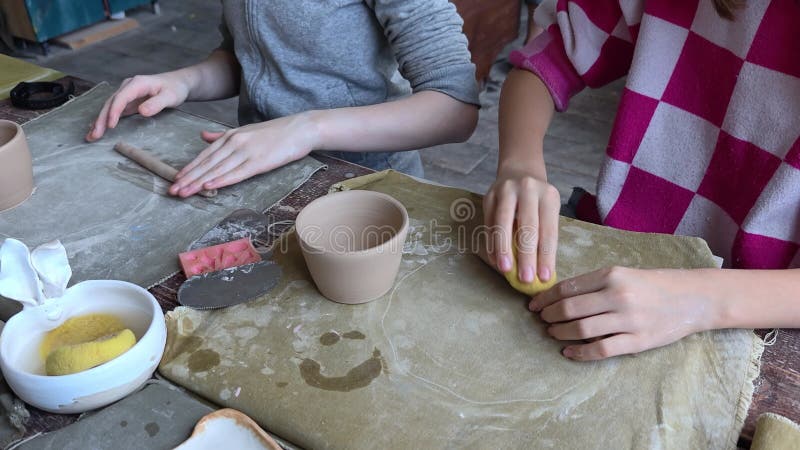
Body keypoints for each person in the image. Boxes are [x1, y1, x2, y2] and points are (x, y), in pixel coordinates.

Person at [484, 0, 800, 361]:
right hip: (616, 246)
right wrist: (519, 163)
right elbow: (543, 65)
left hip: (758, 317)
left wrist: (694, 299)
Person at [86, 0, 480, 197]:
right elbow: (251, 59)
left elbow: (454, 107)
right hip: (265, 178)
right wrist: (185, 82)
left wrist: (307, 128)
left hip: (368, 182)